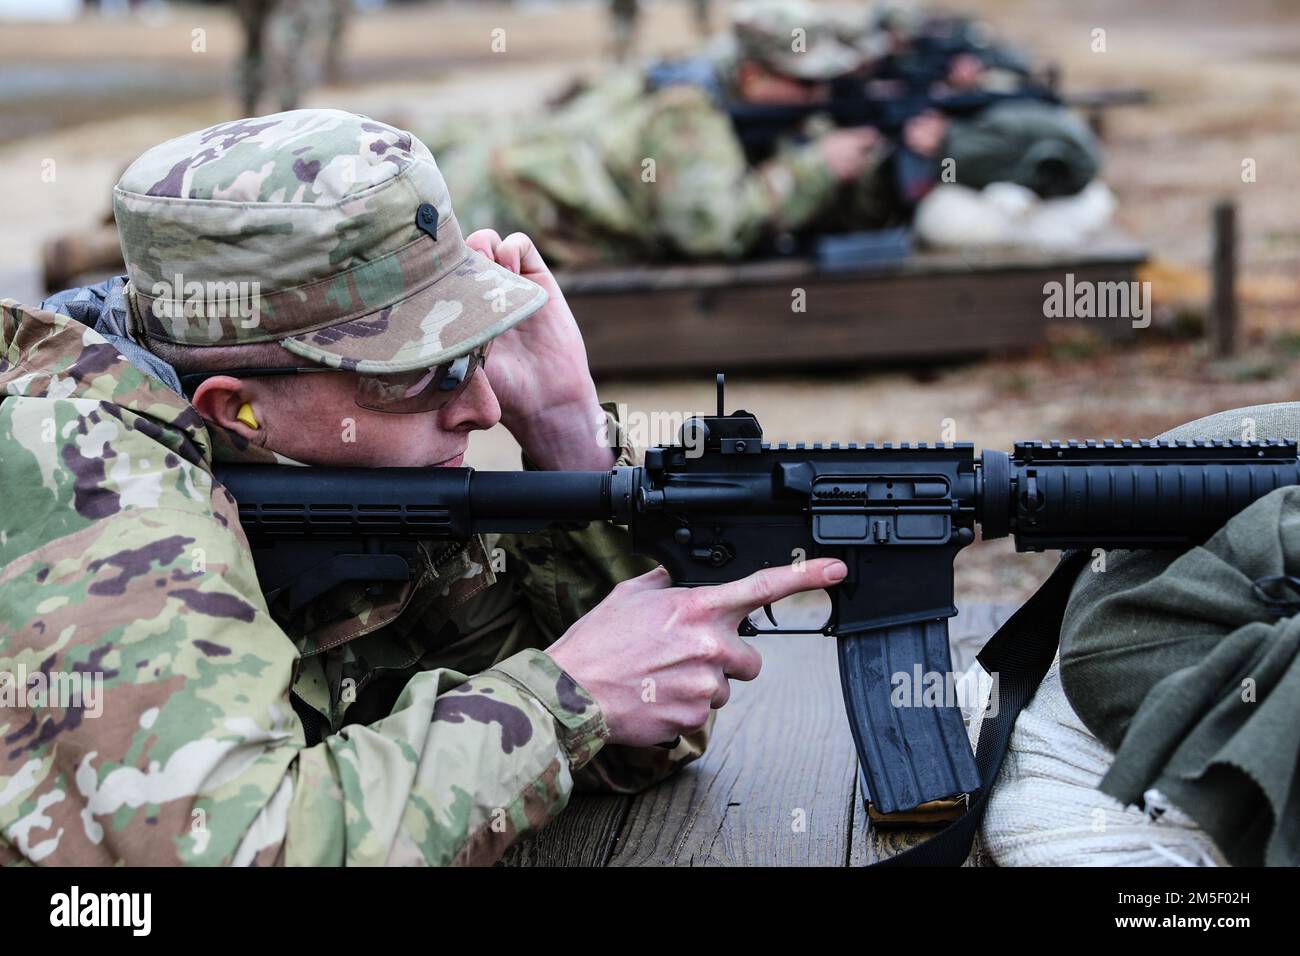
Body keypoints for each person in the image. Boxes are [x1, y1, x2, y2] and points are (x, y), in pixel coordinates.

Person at [0, 109, 846, 866]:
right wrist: (561, 699)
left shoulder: (349, 476)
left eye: (474, 349)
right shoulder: (91, 493)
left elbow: (635, 743)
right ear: (240, 411)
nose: (481, 407)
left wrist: (564, 431)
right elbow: (232, 850)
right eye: (426, 371)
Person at [437, 0, 891, 266]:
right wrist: (815, 168)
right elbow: (709, 229)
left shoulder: (745, 101)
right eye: (805, 83)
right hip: (495, 202)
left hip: (505, 172)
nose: (819, 95)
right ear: (752, 76)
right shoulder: (688, 113)